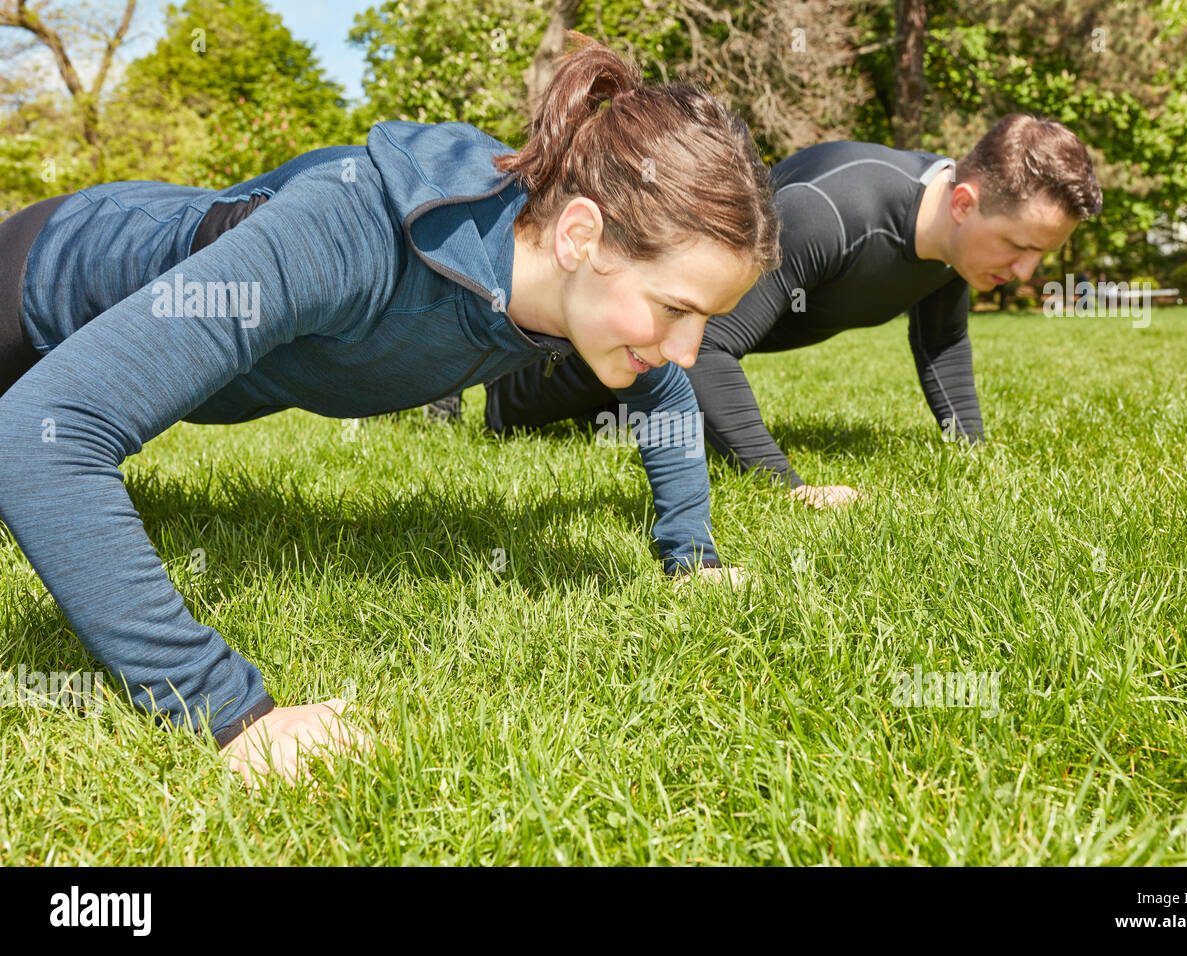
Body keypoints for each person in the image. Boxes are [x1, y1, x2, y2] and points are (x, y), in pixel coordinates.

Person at [0, 34, 778, 786]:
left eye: (704, 318)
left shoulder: (577, 296)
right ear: (581, 234)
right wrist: (231, 715)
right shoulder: (354, 229)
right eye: (675, 309)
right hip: (41, 285)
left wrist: (692, 559)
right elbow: (47, 438)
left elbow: (665, 393)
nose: (688, 349)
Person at [476, 114, 1103, 508]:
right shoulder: (835, 211)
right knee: (516, 405)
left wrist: (970, 448)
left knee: (633, 397)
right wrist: (787, 486)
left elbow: (941, 342)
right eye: (1020, 247)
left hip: (675, 348)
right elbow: (707, 348)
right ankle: (450, 385)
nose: (1023, 272)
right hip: (654, 330)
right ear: (964, 203)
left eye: (1039, 256)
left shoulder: (954, 251)